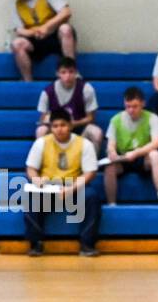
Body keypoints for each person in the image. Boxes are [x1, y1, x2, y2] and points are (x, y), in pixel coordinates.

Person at [24, 108, 102, 257]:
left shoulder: (84, 144)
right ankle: (36, 243)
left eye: (63, 125)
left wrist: (71, 189)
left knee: (92, 197)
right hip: (48, 187)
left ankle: (87, 244)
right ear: (51, 127)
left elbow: (90, 173)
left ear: (71, 125)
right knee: (30, 199)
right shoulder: (42, 143)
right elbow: (31, 168)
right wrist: (36, 180)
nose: (59, 129)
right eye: (55, 126)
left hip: (74, 187)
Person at [104, 86, 158, 205]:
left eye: (135, 106)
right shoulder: (115, 120)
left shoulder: (152, 118)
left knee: (155, 155)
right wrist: (112, 153)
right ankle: (112, 203)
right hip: (124, 158)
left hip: (143, 157)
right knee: (109, 166)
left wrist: (137, 153)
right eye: (128, 106)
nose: (131, 110)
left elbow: (157, 142)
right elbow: (111, 144)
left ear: (143, 103)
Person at [9, 0, 76, 82]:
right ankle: (28, 82)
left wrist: (46, 27)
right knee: (17, 43)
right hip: (36, 41)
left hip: (55, 37)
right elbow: (19, 30)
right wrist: (36, 32)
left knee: (65, 29)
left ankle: (72, 74)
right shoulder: (16, 5)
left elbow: (66, 12)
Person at [35, 56, 103, 152]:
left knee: (96, 132)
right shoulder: (47, 92)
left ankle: (90, 164)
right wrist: (58, 124)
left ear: (76, 72)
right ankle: (44, 164)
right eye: (63, 72)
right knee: (41, 130)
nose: (67, 76)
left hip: (79, 131)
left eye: (71, 72)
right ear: (57, 73)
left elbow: (91, 118)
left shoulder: (86, 89)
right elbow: (42, 118)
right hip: (56, 132)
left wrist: (73, 123)